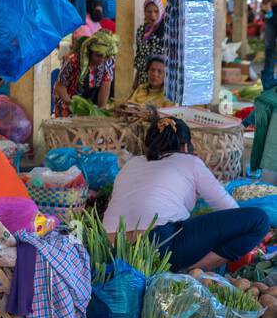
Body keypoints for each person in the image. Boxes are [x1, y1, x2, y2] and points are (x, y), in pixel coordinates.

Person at [103, 113, 269, 273]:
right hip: (158, 247)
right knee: (259, 220)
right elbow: (231, 209)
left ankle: (186, 269)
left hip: (109, 248)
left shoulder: (132, 163)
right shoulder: (190, 161)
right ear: (185, 146)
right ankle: (190, 270)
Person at [54, 29, 117, 116]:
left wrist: (99, 111)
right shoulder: (74, 61)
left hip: (90, 104)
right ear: (90, 52)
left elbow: (105, 87)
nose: (102, 59)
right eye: (98, 55)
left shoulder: (108, 62)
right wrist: (73, 105)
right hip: (67, 102)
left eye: (106, 56)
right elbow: (60, 86)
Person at [134, 0, 168, 86]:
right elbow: (139, 57)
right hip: (143, 80)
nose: (152, 15)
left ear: (161, 11)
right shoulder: (141, 31)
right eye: (148, 12)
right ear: (144, 12)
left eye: (156, 11)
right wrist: (135, 82)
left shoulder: (167, 32)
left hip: (160, 80)